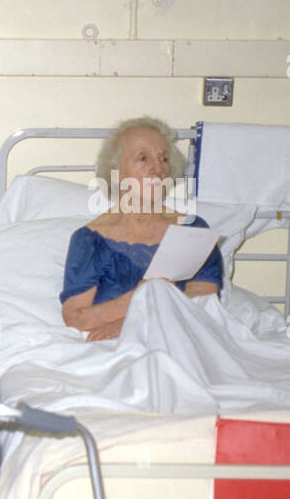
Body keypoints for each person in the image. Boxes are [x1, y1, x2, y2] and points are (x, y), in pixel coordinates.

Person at [60, 116, 222, 341]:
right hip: (112, 350)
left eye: (164, 159)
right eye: (143, 158)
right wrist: (143, 298)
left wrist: (131, 321)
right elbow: (77, 318)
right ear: (117, 172)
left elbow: (204, 302)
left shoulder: (191, 228)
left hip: (181, 341)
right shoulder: (89, 241)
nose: (158, 169)